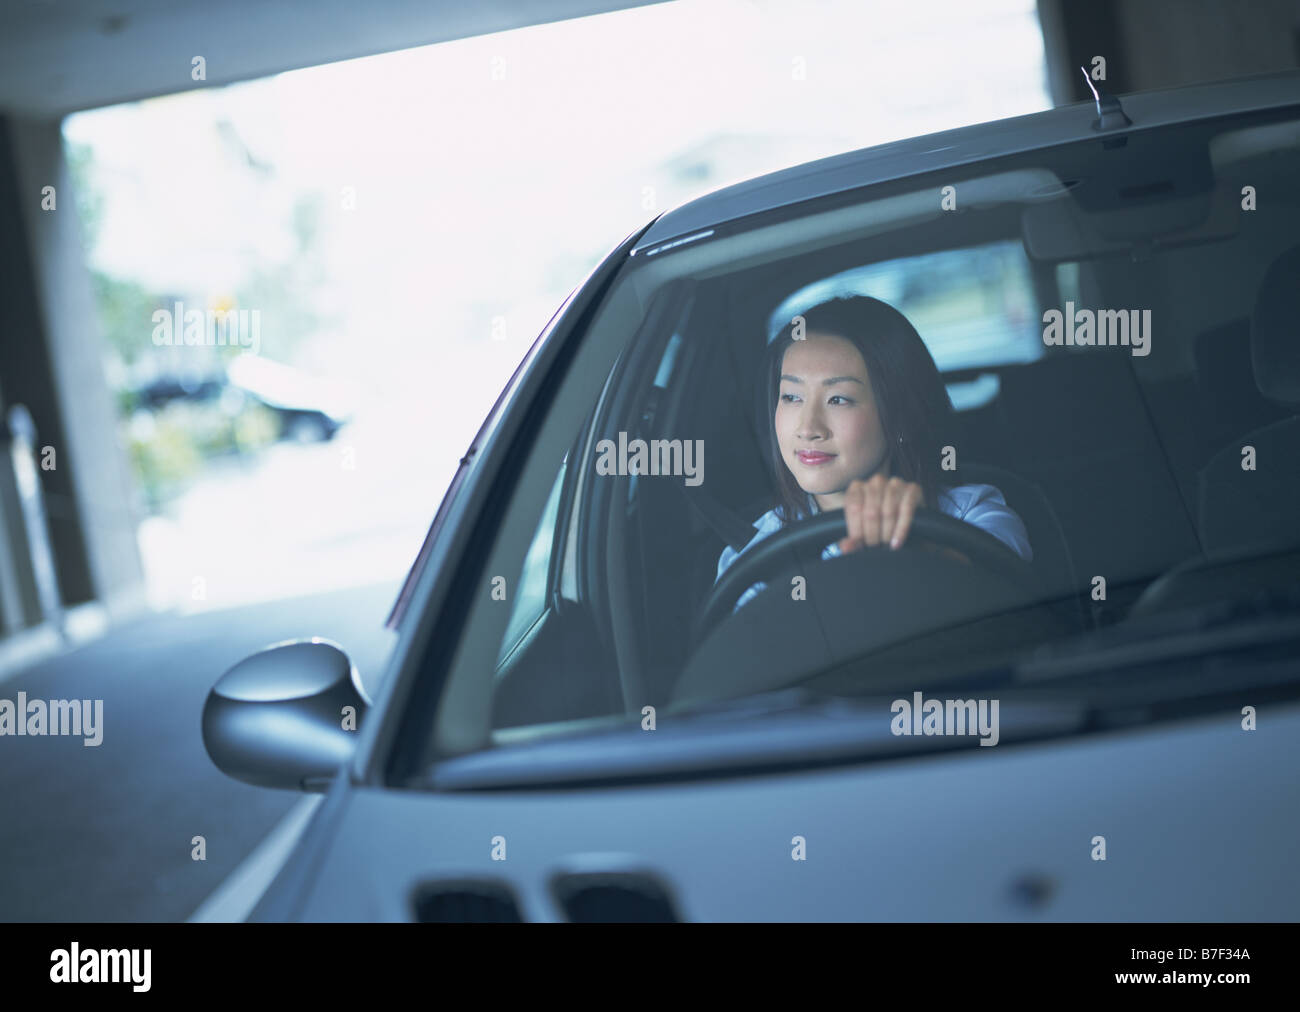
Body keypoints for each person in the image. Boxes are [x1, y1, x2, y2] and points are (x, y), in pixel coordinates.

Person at [716, 294, 1032, 612]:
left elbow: (999, 596)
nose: (808, 428)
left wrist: (920, 550)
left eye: (839, 399)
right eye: (792, 397)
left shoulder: (974, 515)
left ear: (900, 418)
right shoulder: (752, 557)